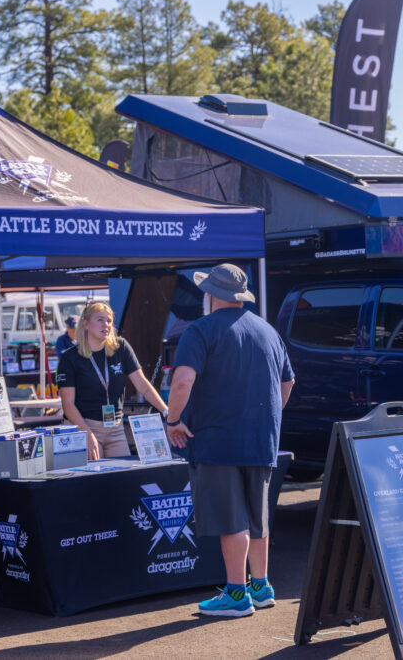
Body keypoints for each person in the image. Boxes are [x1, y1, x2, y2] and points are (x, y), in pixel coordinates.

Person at [166, 264, 295, 618]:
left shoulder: (201, 330)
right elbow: (287, 383)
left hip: (217, 440)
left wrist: (173, 420)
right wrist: (268, 418)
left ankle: (237, 593)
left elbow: (182, 382)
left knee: (232, 519)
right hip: (261, 439)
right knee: (258, 517)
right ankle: (261, 586)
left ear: (210, 295)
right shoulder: (267, 331)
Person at [57, 302, 168, 460]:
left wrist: (166, 412)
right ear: (86, 323)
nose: (106, 325)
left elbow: (143, 385)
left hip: (115, 428)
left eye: (109, 321)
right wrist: (86, 434)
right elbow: (67, 404)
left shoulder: (120, 347)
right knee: (94, 479)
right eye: (100, 320)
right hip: (85, 426)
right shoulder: (70, 358)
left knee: (121, 479)